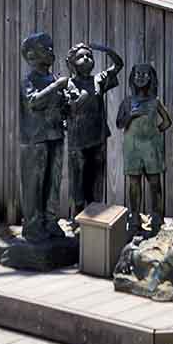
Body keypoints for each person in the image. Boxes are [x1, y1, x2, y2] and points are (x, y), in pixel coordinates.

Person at [19, 32, 68, 241]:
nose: (50, 51)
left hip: (55, 135)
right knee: (34, 184)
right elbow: (33, 102)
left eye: (50, 47)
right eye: (44, 49)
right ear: (31, 55)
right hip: (35, 139)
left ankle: (50, 220)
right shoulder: (29, 80)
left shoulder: (55, 78)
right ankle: (33, 225)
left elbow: (62, 106)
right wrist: (56, 87)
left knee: (54, 181)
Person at [65, 41, 123, 216]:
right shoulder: (67, 84)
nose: (86, 59)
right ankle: (77, 212)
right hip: (77, 138)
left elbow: (118, 65)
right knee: (78, 176)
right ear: (72, 63)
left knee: (96, 175)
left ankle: (95, 212)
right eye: (81, 57)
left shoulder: (98, 80)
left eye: (89, 56)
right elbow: (64, 109)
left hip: (98, 136)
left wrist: (106, 49)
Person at [116, 63, 172, 235]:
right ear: (132, 78)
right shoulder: (127, 102)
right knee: (134, 182)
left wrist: (155, 133)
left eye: (145, 74)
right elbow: (119, 124)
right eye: (137, 74)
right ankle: (134, 215)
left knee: (155, 182)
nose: (141, 77)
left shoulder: (155, 102)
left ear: (151, 78)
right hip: (132, 146)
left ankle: (157, 215)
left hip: (151, 147)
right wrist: (130, 115)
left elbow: (167, 122)